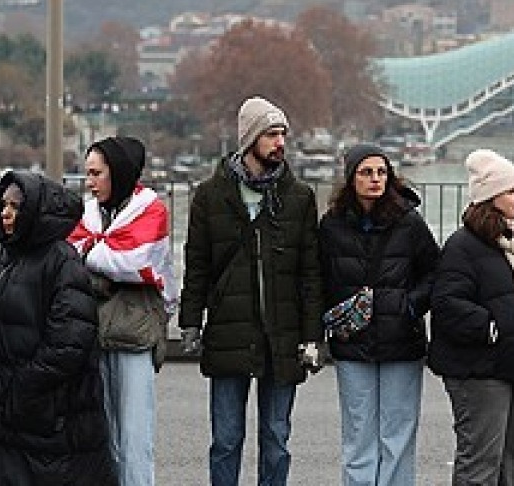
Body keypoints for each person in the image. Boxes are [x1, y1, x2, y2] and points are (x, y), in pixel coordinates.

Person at [178, 96, 325, 486]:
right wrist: (190, 322)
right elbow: (198, 266)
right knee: (226, 440)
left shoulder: (299, 197)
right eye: (271, 134)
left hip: (283, 334)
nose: (280, 142)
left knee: (277, 438)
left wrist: (313, 336)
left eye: (283, 134)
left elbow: (311, 273)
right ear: (249, 140)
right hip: (230, 330)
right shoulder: (211, 196)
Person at [0, 170, 116, 485]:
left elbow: (69, 343)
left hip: (46, 414)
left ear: (34, 210)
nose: (5, 213)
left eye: (15, 206)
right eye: (2, 204)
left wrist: (23, 391)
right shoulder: (2, 256)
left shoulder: (62, 261)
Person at [427, 148, 514, 486]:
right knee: (481, 464)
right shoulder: (463, 245)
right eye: (511, 190)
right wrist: (492, 328)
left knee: (513, 462)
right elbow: (446, 303)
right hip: (481, 369)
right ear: (490, 197)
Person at [318, 144, 440, 486]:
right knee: (358, 435)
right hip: (352, 342)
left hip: (401, 339)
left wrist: (409, 305)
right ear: (350, 178)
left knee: (398, 434)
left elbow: (434, 272)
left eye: (381, 172)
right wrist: (329, 317)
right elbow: (318, 279)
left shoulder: (410, 223)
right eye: (366, 172)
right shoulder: (331, 226)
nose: (375, 180)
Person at [68, 136, 178, 486]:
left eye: (96, 174)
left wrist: (93, 258)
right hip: (94, 332)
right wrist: (103, 259)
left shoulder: (151, 209)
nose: (89, 182)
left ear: (118, 174)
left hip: (134, 334)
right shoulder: (86, 213)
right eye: (87, 174)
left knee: (134, 437)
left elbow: (137, 261)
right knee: (103, 434)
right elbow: (79, 255)